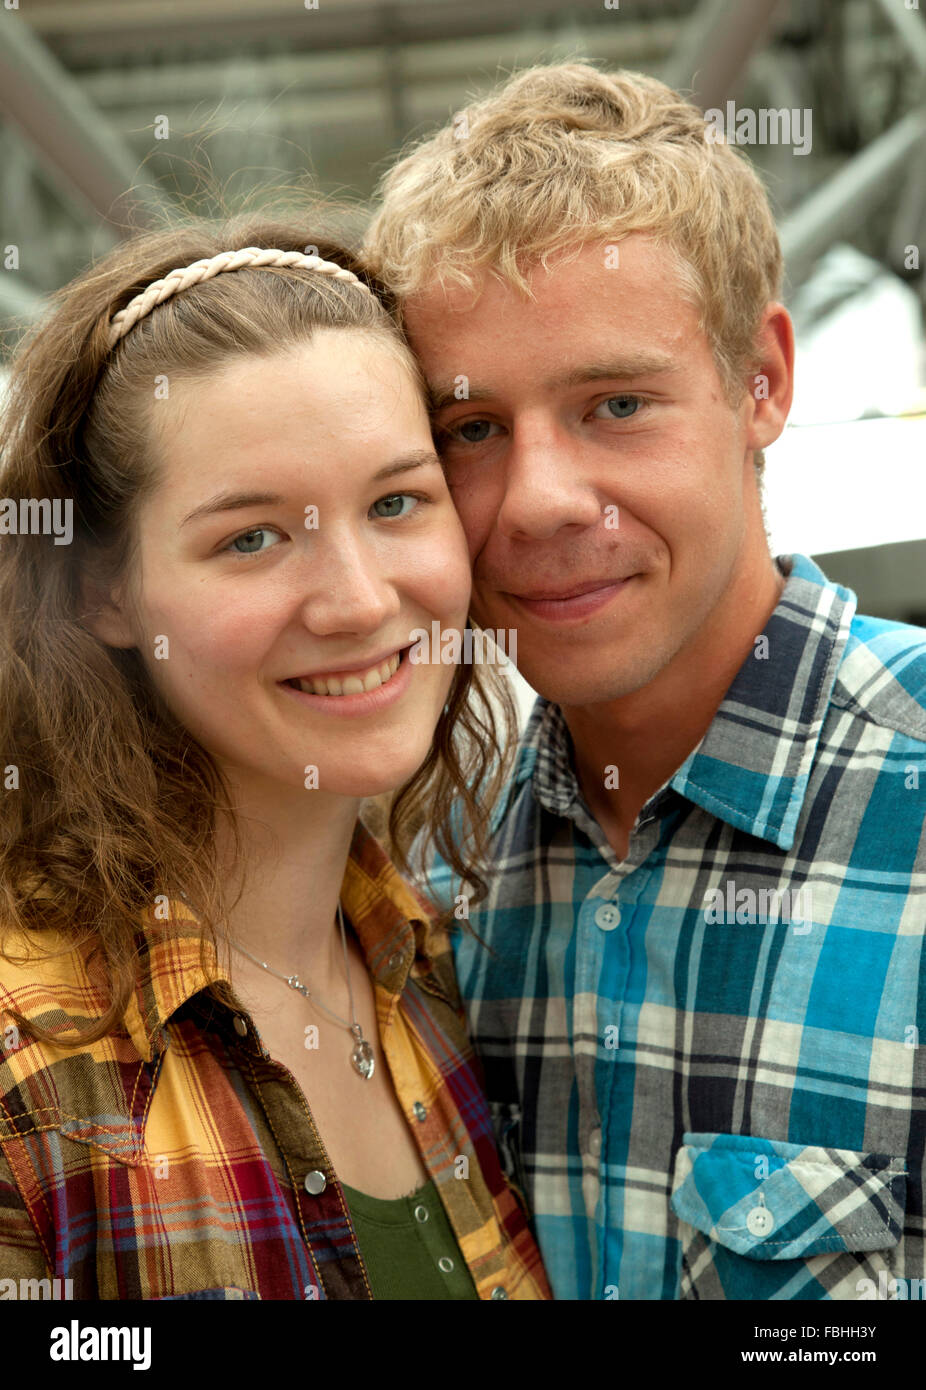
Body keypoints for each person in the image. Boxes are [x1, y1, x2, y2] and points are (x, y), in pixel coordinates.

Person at [362, 62, 926, 1300]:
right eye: (470, 430)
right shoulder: (426, 869)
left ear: (761, 382)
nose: (538, 501)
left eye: (615, 403)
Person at [0, 216, 551, 1301]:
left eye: (395, 503)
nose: (358, 600)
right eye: (251, 538)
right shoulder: (29, 1071)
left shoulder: (443, 968)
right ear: (105, 590)